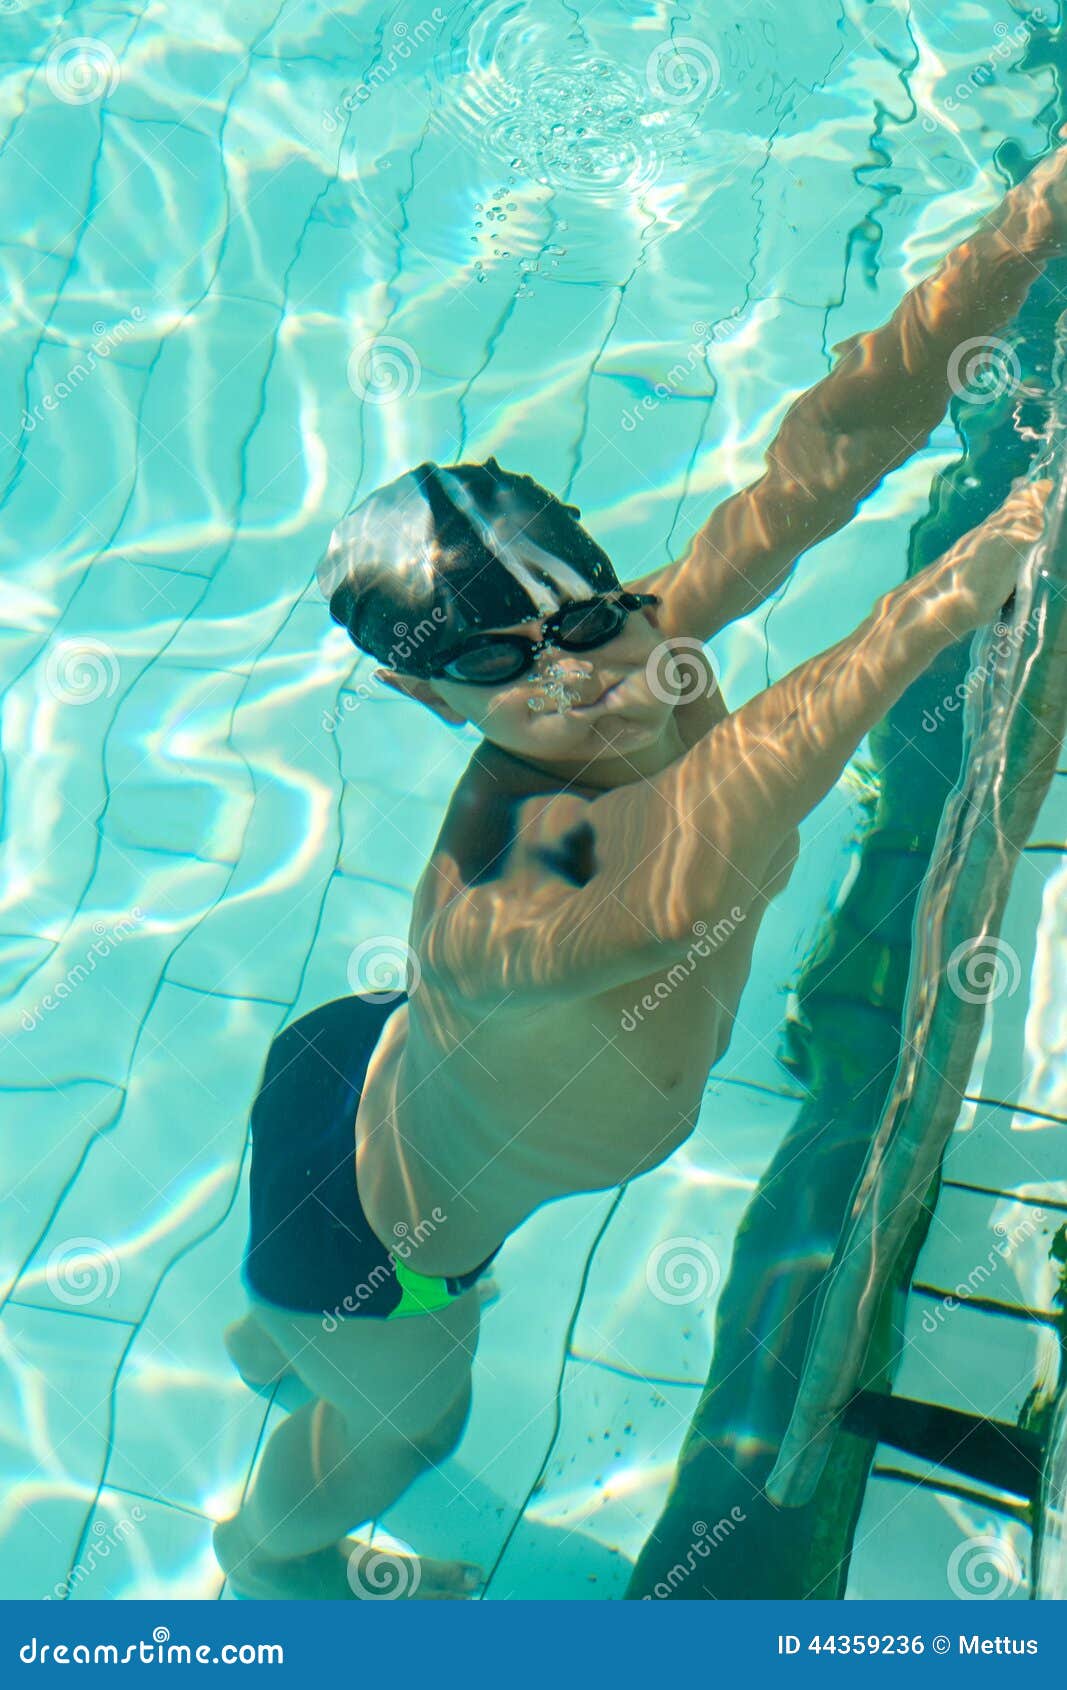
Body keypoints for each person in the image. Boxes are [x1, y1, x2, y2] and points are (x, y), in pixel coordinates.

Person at [213, 147, 1067, 1600]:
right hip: (375, 1234)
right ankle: (269, 1555)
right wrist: (947, 593)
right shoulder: (500, 880)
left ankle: (268, 1343)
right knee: (416, 1419)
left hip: (369, 1081)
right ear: (434, 700)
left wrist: (1037, 213)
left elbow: (832, 447)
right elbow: (680, 869)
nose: (588, 679)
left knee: (307, 1339)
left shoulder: (633, 648)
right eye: (504, 663)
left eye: (597, 612)